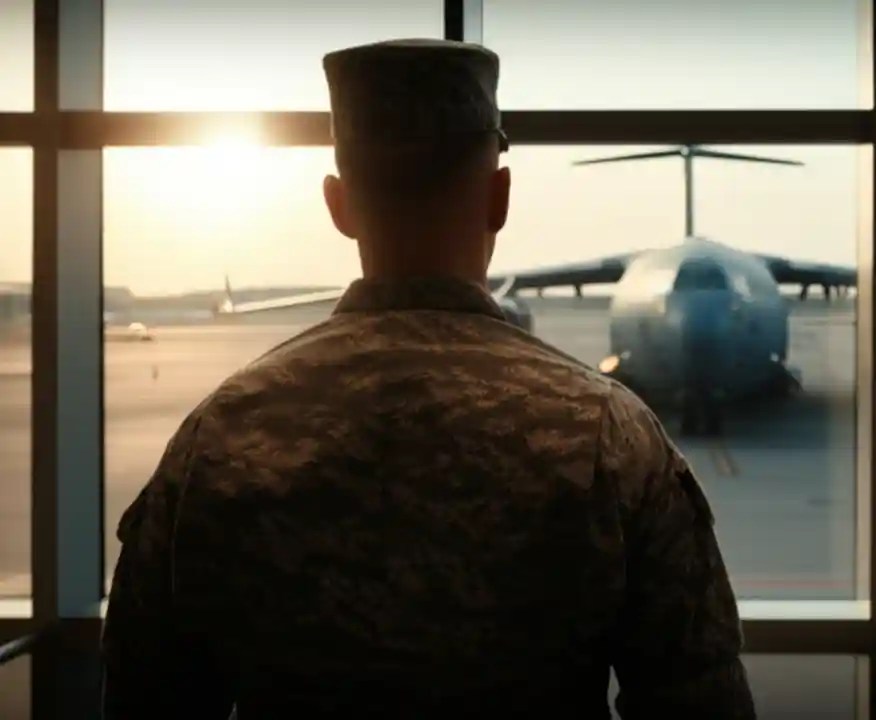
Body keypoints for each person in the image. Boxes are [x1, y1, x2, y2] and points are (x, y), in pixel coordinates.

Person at [100, 38, 755, 718]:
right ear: (498, 197)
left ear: (339, 205)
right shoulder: (607, 433)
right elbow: (699, 700)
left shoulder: (223, 435)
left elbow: (143, 695)